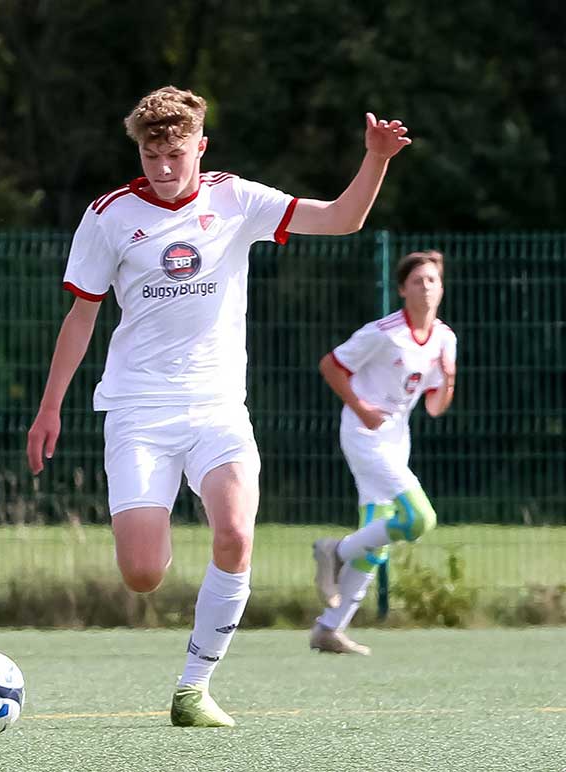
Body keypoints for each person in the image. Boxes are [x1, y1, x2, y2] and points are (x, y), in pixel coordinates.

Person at [26, 85, 411, 727]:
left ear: (200, 148)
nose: (163, 168)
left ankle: (194, 688)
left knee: (234, 535)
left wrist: (376, 159)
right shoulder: (109, 216)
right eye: (151, 156)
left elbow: (342, 218)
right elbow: (81, 316)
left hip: (218, 408)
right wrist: (50, 408)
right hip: (138, 410)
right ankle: (156, 521)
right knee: (142, 574)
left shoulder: (236, 199)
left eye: (175, 155)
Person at [310, 251, 457, 655]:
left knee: (376, 540)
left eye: (432, 281)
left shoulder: (445, 339)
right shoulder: (383, 332)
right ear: (402, 289)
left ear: (442, 288)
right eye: (417, 281)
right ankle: (334, 551)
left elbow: (434, 407)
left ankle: (329, 629)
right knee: (419, 518)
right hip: (363, 435)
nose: (426, 288)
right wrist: (362, 409)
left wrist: (448, 379)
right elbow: (331, 365)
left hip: (396, 441)